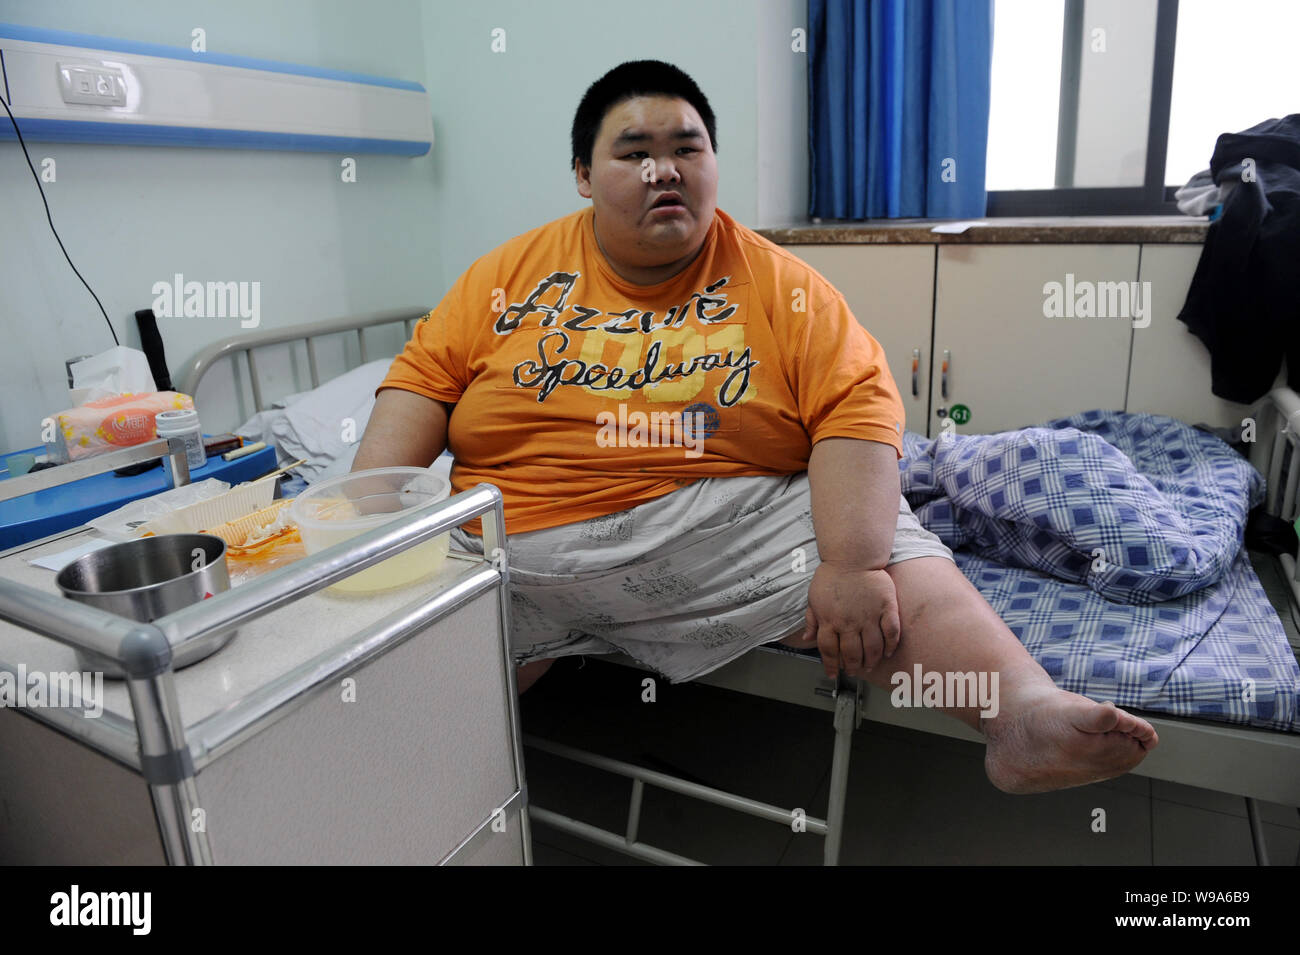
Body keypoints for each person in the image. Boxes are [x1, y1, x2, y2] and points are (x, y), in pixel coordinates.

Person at [353, 59, 1158, 793]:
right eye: (633, 151)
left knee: (891, 545)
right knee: (396, 681)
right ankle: (421, 801)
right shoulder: (506, 276)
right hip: (513, 542)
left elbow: (855, 408)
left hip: (720, 530)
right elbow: (422, 380)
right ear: (582, 176)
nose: (663, 169)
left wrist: (851, 563)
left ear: (711, 164)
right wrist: (362, 515)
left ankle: (1016, 712)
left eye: (687, 148)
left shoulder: (781, 284)